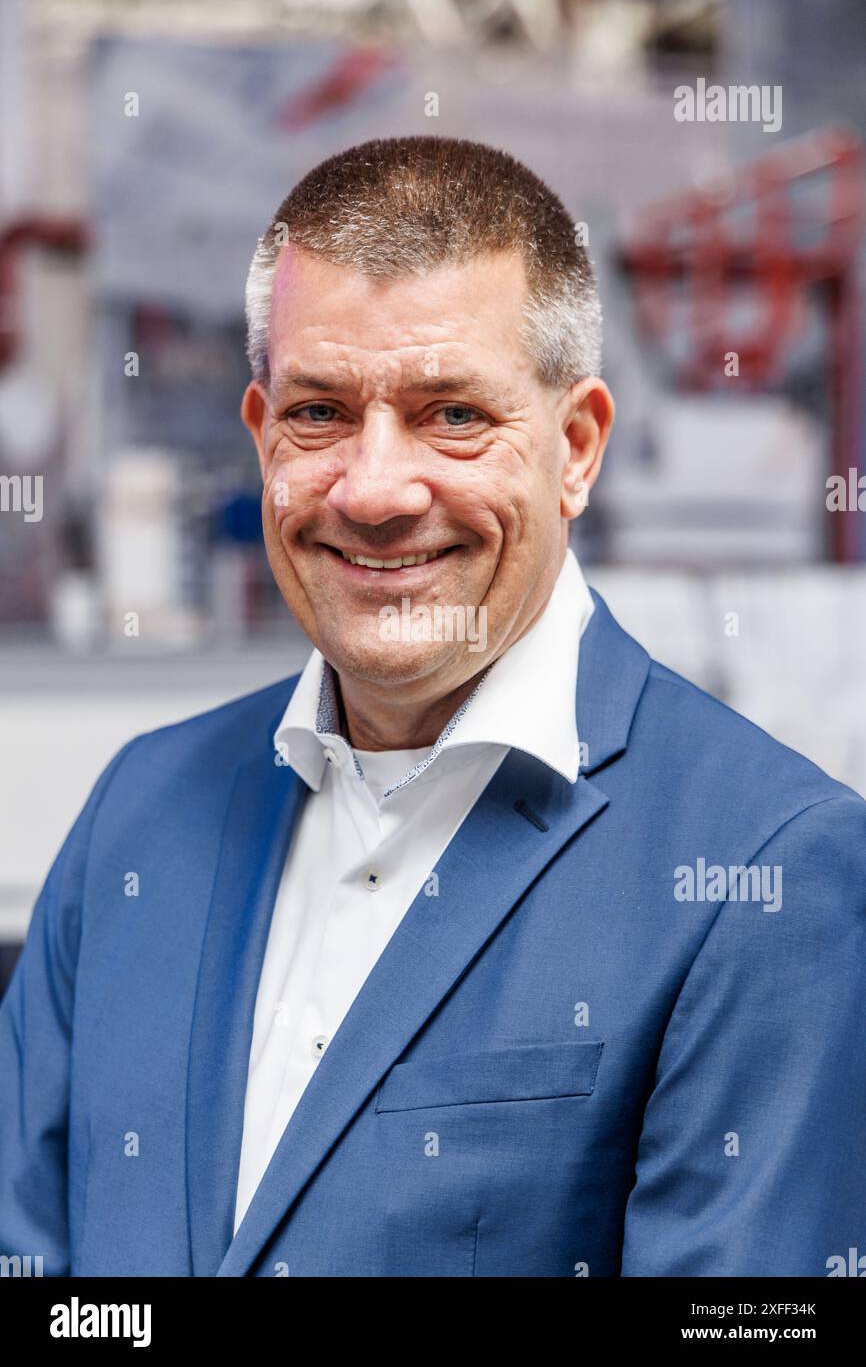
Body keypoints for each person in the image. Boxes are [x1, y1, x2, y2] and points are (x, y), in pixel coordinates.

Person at [2, 136, 864, 1278]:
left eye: (452, 414)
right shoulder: (139, 811)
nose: (372, 490)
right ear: (260, 431)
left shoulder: (768, 868)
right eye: (318, 413)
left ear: (574, 446)